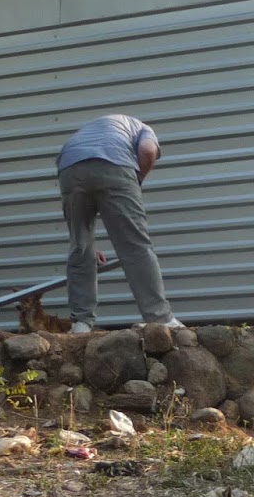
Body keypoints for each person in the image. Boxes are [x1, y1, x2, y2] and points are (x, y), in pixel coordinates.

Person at [56, 113, 183, 334]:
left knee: (80, 246)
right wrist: (137, 180)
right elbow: (148, 151)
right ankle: (160, 318)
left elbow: (85, 170)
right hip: (115, 164)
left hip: (69, 168)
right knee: (135, 245)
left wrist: (89, 243)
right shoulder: (143, 128)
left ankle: (81, 323)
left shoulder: (91, 131)